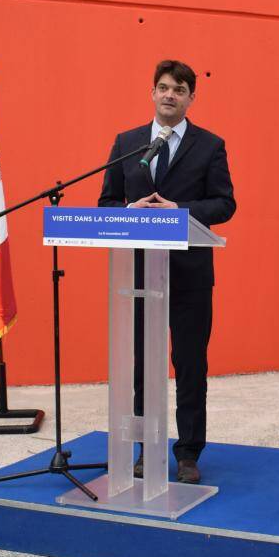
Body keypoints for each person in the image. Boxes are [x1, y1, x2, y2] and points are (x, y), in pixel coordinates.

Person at [97, 59, 235, 484]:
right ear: (152, 93)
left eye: (179, 89)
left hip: (190, 275)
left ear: (192, 97)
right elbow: (106, 204)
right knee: (141, 366)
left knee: (190, 364)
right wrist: (129, 211)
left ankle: (188, 454)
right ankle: (145, 448)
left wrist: (181, 211)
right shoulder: (128, 142)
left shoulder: (210, 145)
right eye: (163, 87)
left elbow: (225, 204)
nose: (170, 95)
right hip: (137, 277)